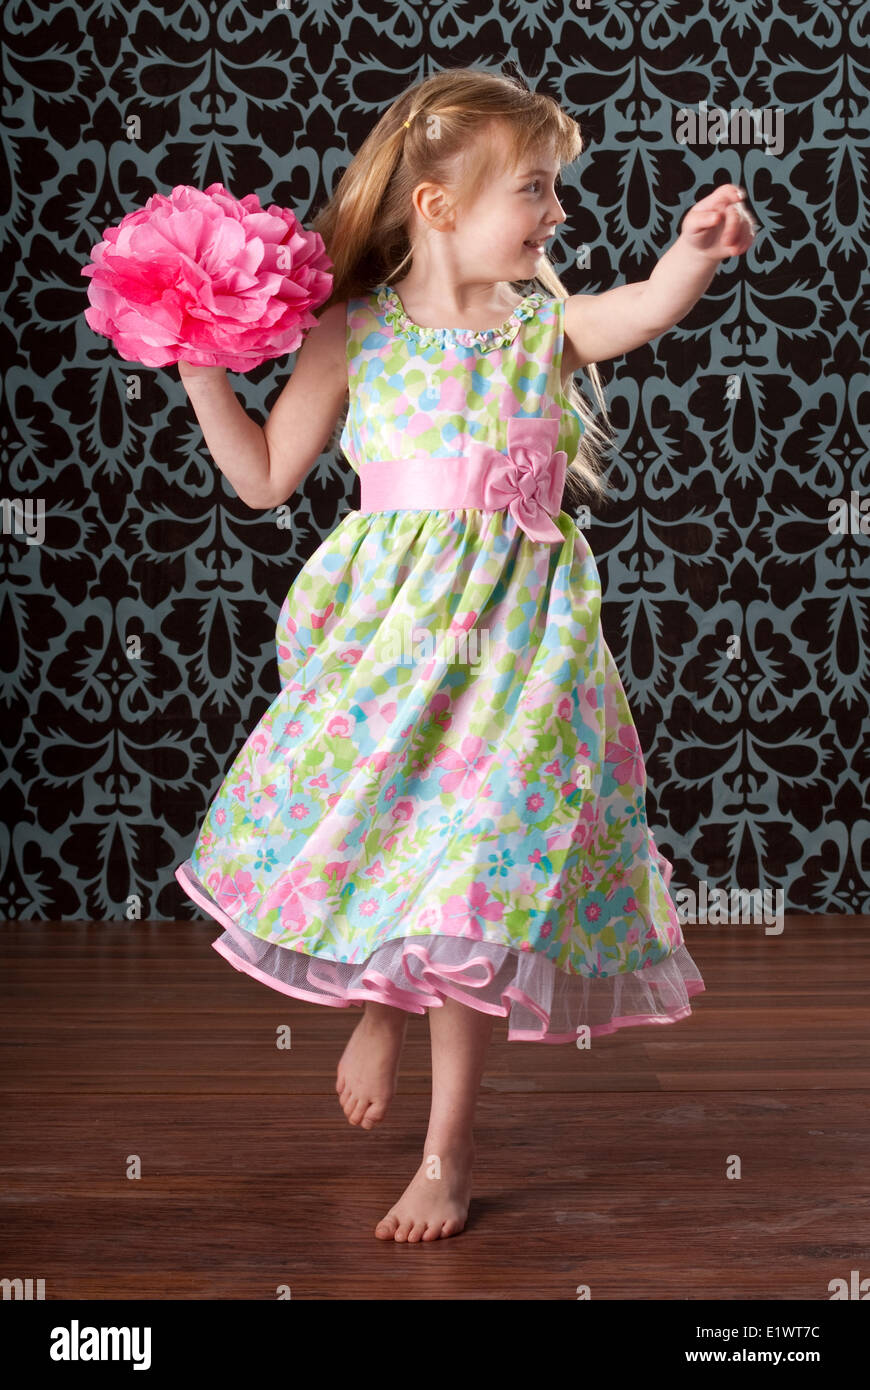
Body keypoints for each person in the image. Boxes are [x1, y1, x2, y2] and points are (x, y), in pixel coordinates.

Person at [174, 66, 754, 1243]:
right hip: (394, 646)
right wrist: (197, 363)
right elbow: (264, 477)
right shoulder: (356, 329)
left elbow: (636, 309)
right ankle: (386, 996)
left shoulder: (541, 324)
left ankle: (448, 1154)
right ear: (439, 206)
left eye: (556, 191)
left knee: (479, 876)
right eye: (534, 191)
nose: (555, 215)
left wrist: (694, 254)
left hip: (521, 650)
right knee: (400, 839)